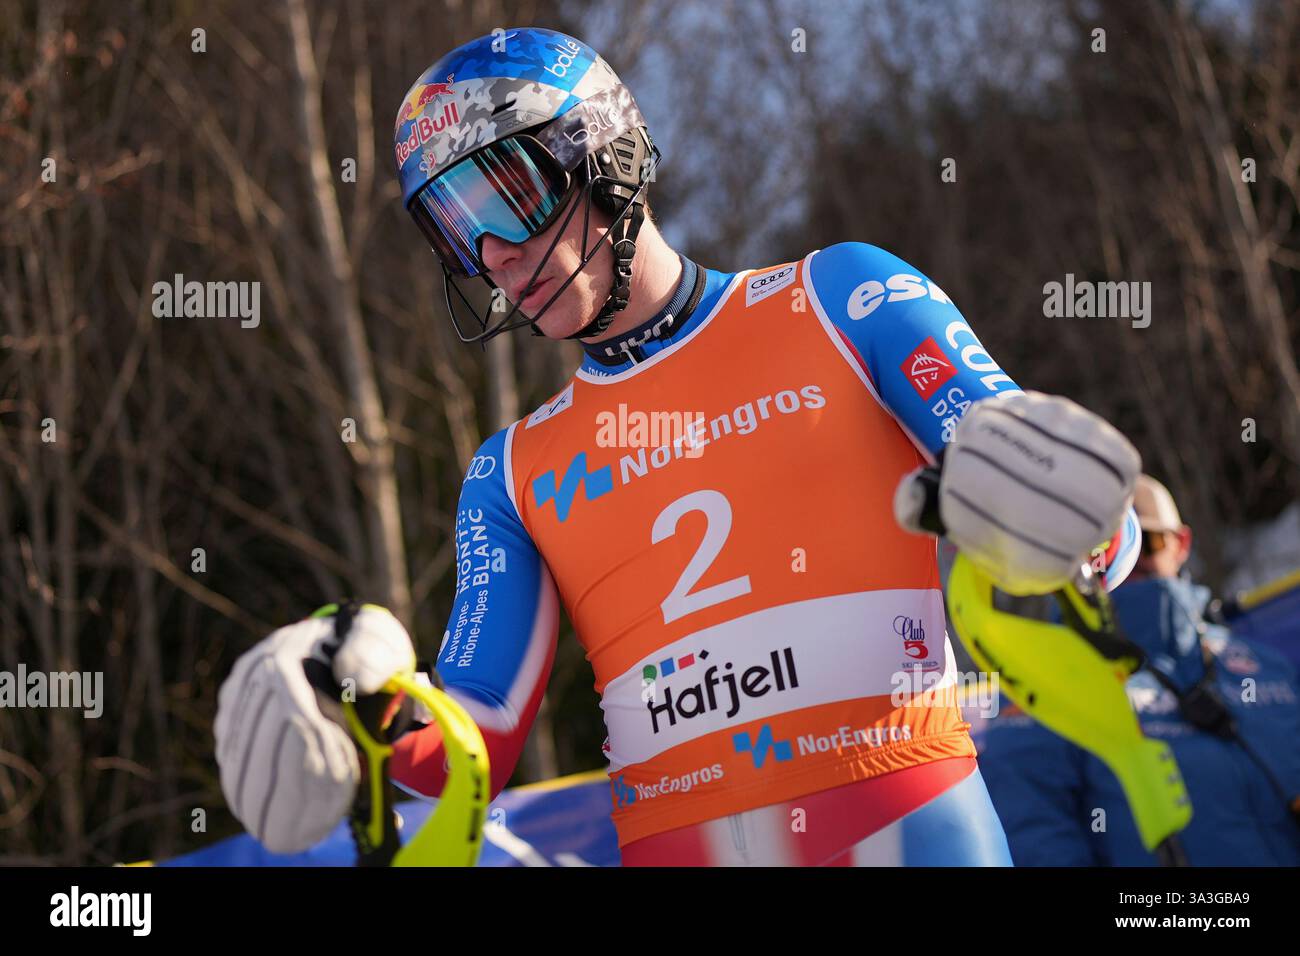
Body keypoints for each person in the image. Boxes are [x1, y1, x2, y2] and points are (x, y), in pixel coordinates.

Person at [214, 27, 1144, 866]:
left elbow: (1077, 525)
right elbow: (477, 738)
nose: (490, 254)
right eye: (455, 228)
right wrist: (360, 697)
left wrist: (1079, 519)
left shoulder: (842, 299)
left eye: (502, 194)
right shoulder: (512, 471)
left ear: (605, 158)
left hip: (907, 829)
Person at [978, 475, 1300, 865]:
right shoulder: (1041, 686)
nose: (1130, 561)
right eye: (1105, 551)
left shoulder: (1264, 665)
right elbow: (1038, 836)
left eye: (1148, 542)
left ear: (1182, 544)